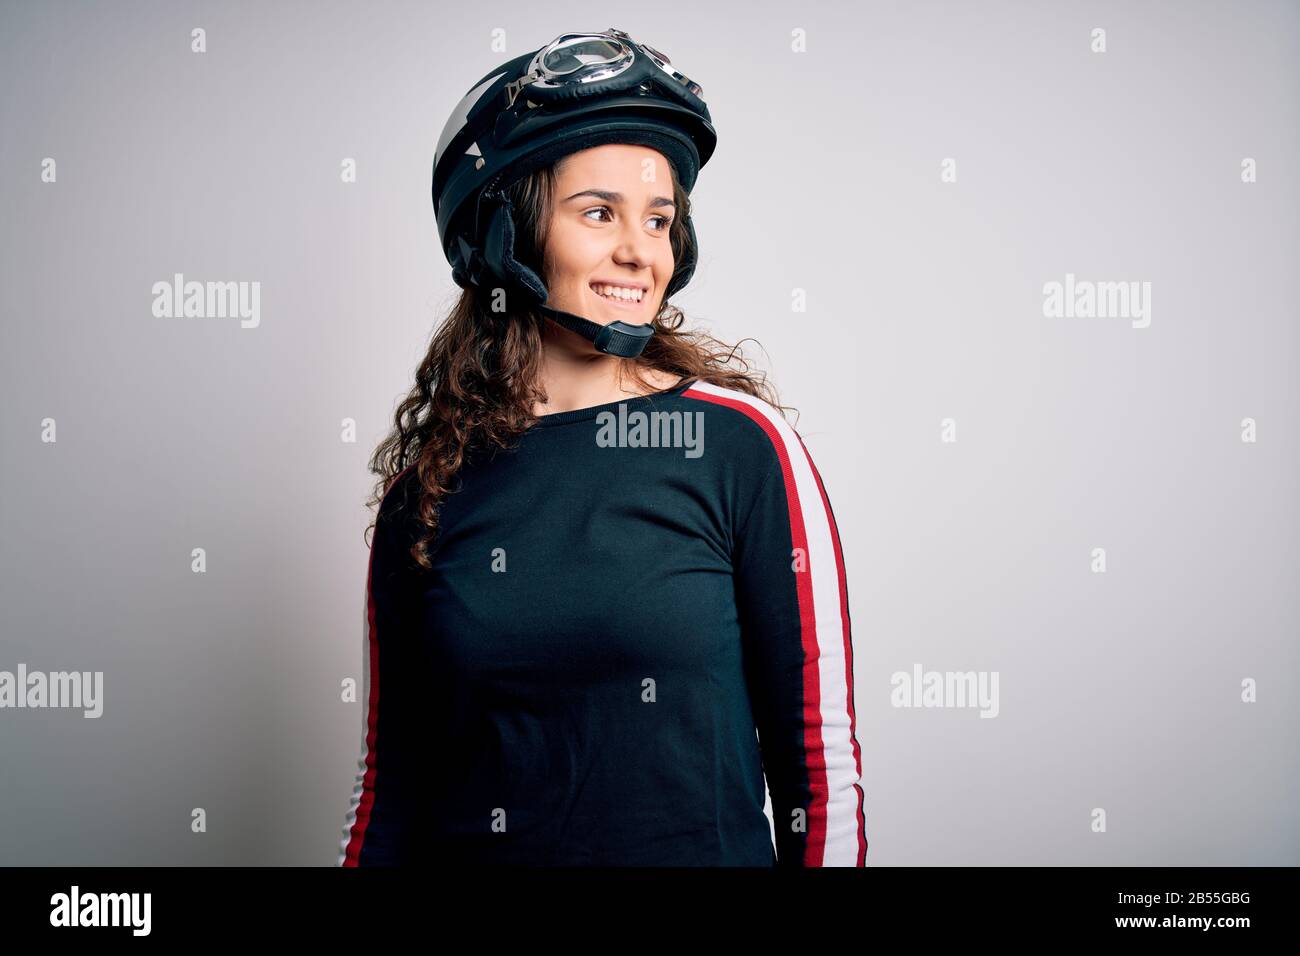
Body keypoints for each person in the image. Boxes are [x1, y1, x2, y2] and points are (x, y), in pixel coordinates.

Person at [338, 27, 867, 866]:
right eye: (598, 213)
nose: (638, 251)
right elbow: (390, 792)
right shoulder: (426, 493)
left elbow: (819, 769)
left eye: (659, 220)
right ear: (506, 234)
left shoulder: (740, 450)